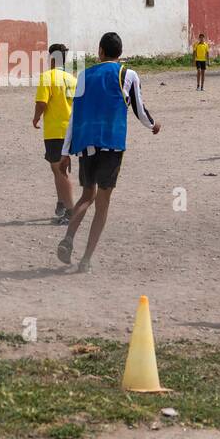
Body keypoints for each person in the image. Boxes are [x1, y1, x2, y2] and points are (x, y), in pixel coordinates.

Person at [55, 32, 160, 274]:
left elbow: (74, 116)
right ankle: (86, 260)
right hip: (112, 145)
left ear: (100, 51)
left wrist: (64, 152)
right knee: (102, 204)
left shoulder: (83, 75)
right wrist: (152, 125)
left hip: (87, 145)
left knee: (86, 196)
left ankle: (69, 237)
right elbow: (139, 108)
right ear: (120, 53)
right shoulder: (127, 74)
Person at [33, 43, 78, 223]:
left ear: (52, 58)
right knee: (58, 168)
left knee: (60, 170)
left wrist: (36, 118)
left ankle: (70, 211)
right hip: (70, 130)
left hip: (55, 130)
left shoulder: (47, 78)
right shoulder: (72, 79)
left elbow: (42, 103)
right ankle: (61, 202)